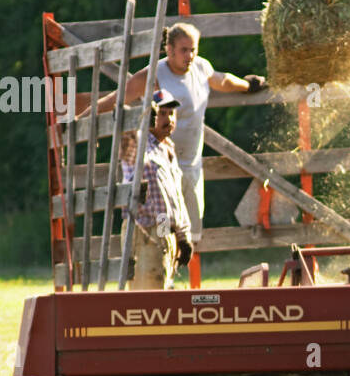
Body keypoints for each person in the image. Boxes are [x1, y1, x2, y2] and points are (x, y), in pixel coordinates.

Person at [80, 21, 268, 246]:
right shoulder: (153, 76)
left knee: (190, 235)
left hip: (191, 164)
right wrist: (83, 122)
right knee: (163, 231)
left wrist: (247, 86)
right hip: (161, 170)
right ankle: (164, 279)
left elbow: (223, 80)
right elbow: (115, 99)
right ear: (169, 50)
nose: (189, 55)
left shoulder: (201, 68)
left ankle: (185, 278)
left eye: (193, 49)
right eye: (184, 50)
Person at [129, 90, 193, 290]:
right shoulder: (137, 144)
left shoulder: (168, 149)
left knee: (163, 286)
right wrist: (140, 127)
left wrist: (183, 237)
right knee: (147, 291)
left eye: (171, 114)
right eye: (162, 113)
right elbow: (132, 164)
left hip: (164, 228)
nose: (168, 119)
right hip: (145, 228)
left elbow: (175, 200)